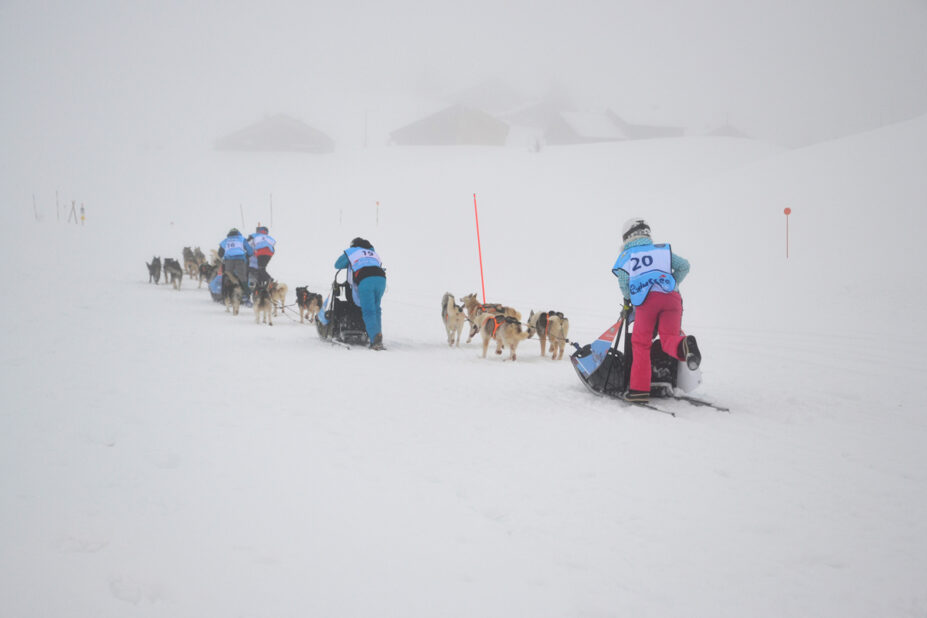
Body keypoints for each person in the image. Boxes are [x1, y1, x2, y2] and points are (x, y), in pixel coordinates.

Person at [612, 218, 700, 403]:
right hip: (672, 298)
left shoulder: (627, 255)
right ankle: (685, 345)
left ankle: (639, 391)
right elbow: (684, 266)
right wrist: (672, 283)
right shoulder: (661, 251)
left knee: (641, 343)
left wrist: (629, 299)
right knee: (669, 337)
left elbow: (623, 280)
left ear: (627, 236)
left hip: (646, 300)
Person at [335, 237, 386, 350]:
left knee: (368, 311)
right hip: (381, 279)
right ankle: (378, 335)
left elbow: (337, 265)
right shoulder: (373, 252)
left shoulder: (353, 251)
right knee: (376, 309)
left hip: (366, 280)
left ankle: (375, 341)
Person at [218, 228, 254, 305]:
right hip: (240, 260)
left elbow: (220, 253)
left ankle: (226, 298)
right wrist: (247, 256)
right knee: (243, 278)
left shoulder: (226, 240)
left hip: (228, 261)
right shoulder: (242, 239)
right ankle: (246, 298)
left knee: (228, 278)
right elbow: (250, 251)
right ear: (238, 233)